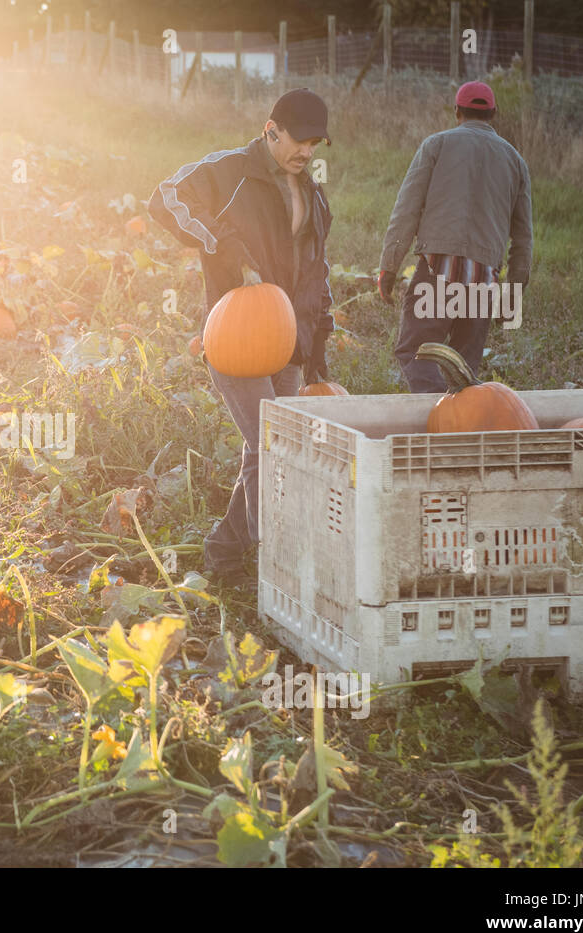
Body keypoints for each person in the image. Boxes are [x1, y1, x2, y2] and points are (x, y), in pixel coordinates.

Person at [148, 88, 334, 586]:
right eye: (299, 141)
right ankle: (279, 567)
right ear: (271, 130)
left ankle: (224, 551)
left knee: (265, 449)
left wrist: (317, 342)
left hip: (290, 339)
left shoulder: (313, 193)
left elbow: (318, 270)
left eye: (315, 145)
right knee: (273, 448)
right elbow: (164, 198)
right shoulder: (230, 170)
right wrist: (220, 241)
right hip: (238, 335)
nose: (307, 153)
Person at [378, 81, 533, 393]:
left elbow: (406, 209)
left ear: (457, 112)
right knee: (463, 371)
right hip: (484, 280)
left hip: (437, 273)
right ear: (494, 114)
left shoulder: (436, 145)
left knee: (416, 351)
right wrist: (512, 295)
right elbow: (523, 238)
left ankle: (438, 415)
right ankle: (456, 426)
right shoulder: (515, 160)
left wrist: (389, 266)